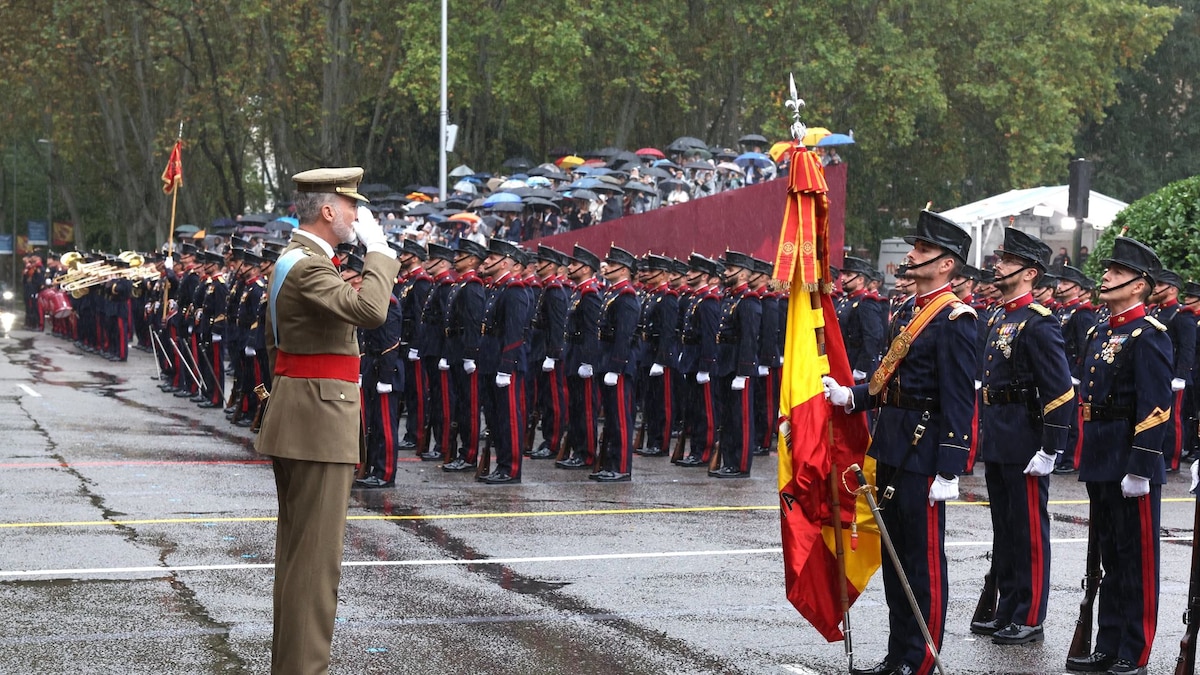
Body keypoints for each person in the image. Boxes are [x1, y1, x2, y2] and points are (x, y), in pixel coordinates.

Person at [255, 167, 400, 675]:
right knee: (316, 568)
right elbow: (372, 311)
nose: (358, 216)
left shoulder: (297, 260)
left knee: (300, 562)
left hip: (302, 416)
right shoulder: (308, 267)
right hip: (319, 423)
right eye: (352, 206)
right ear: (328, 210)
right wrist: (380, 251)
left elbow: (275, 344)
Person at [824, 210, 978, 675]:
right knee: (895, 561)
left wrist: (950, 468)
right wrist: (852, 396)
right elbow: (886, 380)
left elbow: (959, 397)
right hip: (891, 445)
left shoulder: (955, 318)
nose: (912, 255)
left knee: (921, 562)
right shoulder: (908, 310)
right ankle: (898, 655)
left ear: (946, 264)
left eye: (923, 250)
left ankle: (921, 659)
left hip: (924, 452)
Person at [1066, 236, 1171, 675]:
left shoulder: (1148, 336)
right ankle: (1107, 644)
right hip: (1101, 456)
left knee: (1136, 560)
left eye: (1117, 272)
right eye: (1108, 270)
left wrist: (1141, 465)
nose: (1106, 277)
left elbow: (1156, 405)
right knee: (1108, 557)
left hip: (1130, 460)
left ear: (1139, 285)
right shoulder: (1101, 331)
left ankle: (1135, 649)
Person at [969, 228, 1074, 646]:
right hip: (1000, 434)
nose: (998, 266)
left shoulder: (1038, 322)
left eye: (1008, 261)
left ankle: (1029, 615)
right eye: (1000, 259)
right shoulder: (1000, 316)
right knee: (1006, 528)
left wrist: (1050, 448)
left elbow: (1060, 390)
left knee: (1029, 530)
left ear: (1030, 273)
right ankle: (1008, 607)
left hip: (1026, 438)